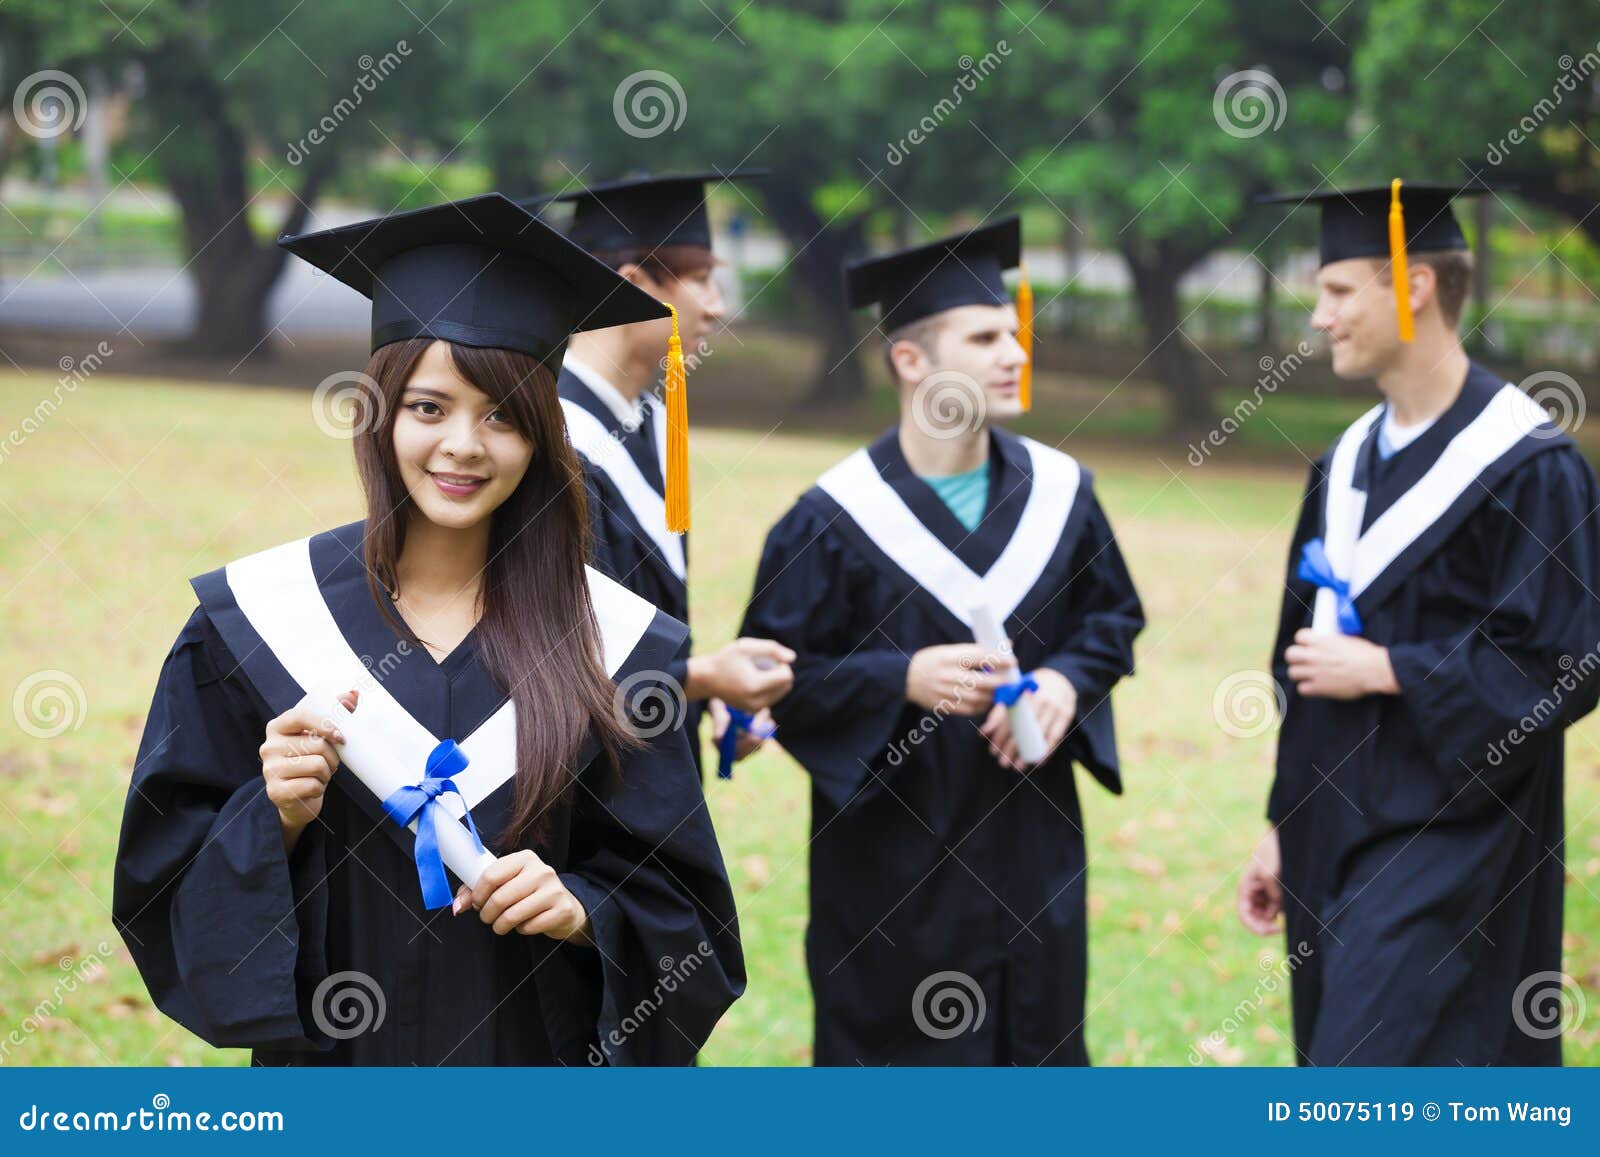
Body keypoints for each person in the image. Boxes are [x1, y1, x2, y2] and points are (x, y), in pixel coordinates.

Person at [112, 194, 744, 1066]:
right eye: (429, 407)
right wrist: (276, 815)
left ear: (541, 437)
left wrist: (582, 910)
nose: (464, 445)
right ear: (379, 414)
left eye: (504, 415)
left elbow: (688, 919)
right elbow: (163, 889)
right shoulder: (256, 621)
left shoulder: (614, 645)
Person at [740, 217, 1145, 1064]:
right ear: (911, 361)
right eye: (987, 335)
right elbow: (771, 681)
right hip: (893, 873)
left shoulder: (1062, 495)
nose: (1015, 352)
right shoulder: (831, 521)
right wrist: (900, 678)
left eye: (1015, 333)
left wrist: (1068, 681)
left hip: (1034, 852)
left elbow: (1111, 620)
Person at [1239, 180, 1600, 1065]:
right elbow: (1305, 657)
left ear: (1414, 285)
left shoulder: (1528, 466)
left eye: (1337, 290)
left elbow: (1564, 659)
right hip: (1337, 829)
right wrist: (1287, 819)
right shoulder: (1345, 465)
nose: (1319, 317)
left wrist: (1391, 669)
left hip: (1455, 833)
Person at [524, 172, 793, 778]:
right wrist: (700, 677)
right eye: (699, 279)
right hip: (574, 789)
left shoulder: (652, 424)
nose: (718, 305)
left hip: (652, 770)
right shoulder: (553, 447)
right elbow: (560, 651)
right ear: (633, 286)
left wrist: (703, 697)